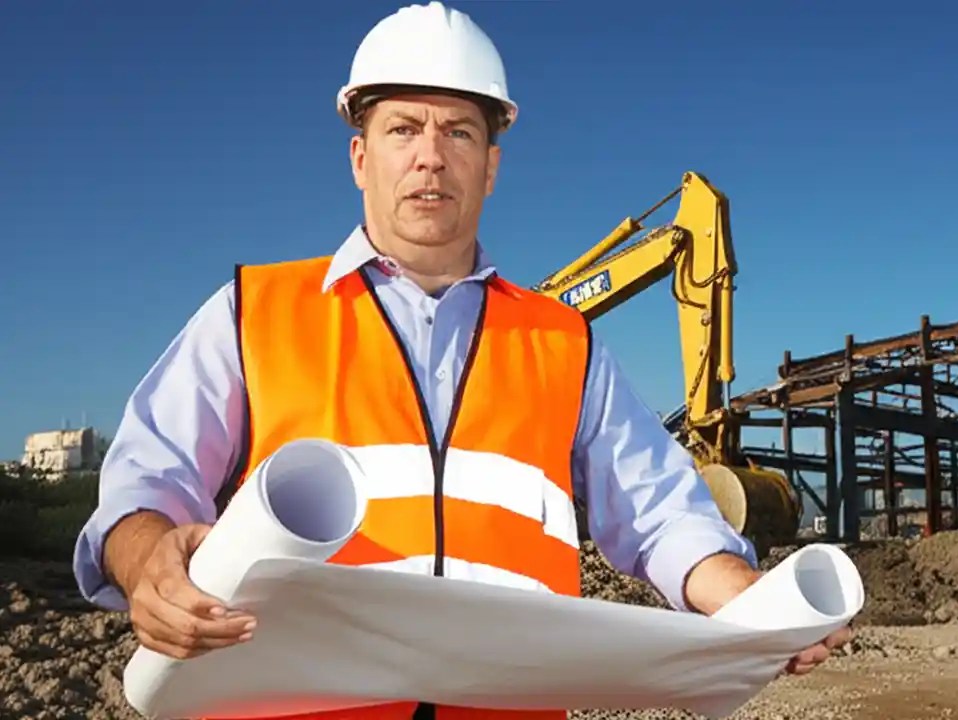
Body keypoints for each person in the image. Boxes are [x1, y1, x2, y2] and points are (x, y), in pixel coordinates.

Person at [72, 3, 852, 719]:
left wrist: (749, 603)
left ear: (491, 165)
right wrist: (147, 564)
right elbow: (145, 485)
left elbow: (659, 515)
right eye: (403, 129)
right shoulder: (253, 315)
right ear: (358, 156)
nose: (430, 159)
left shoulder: (563, 342)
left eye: (460, 133)